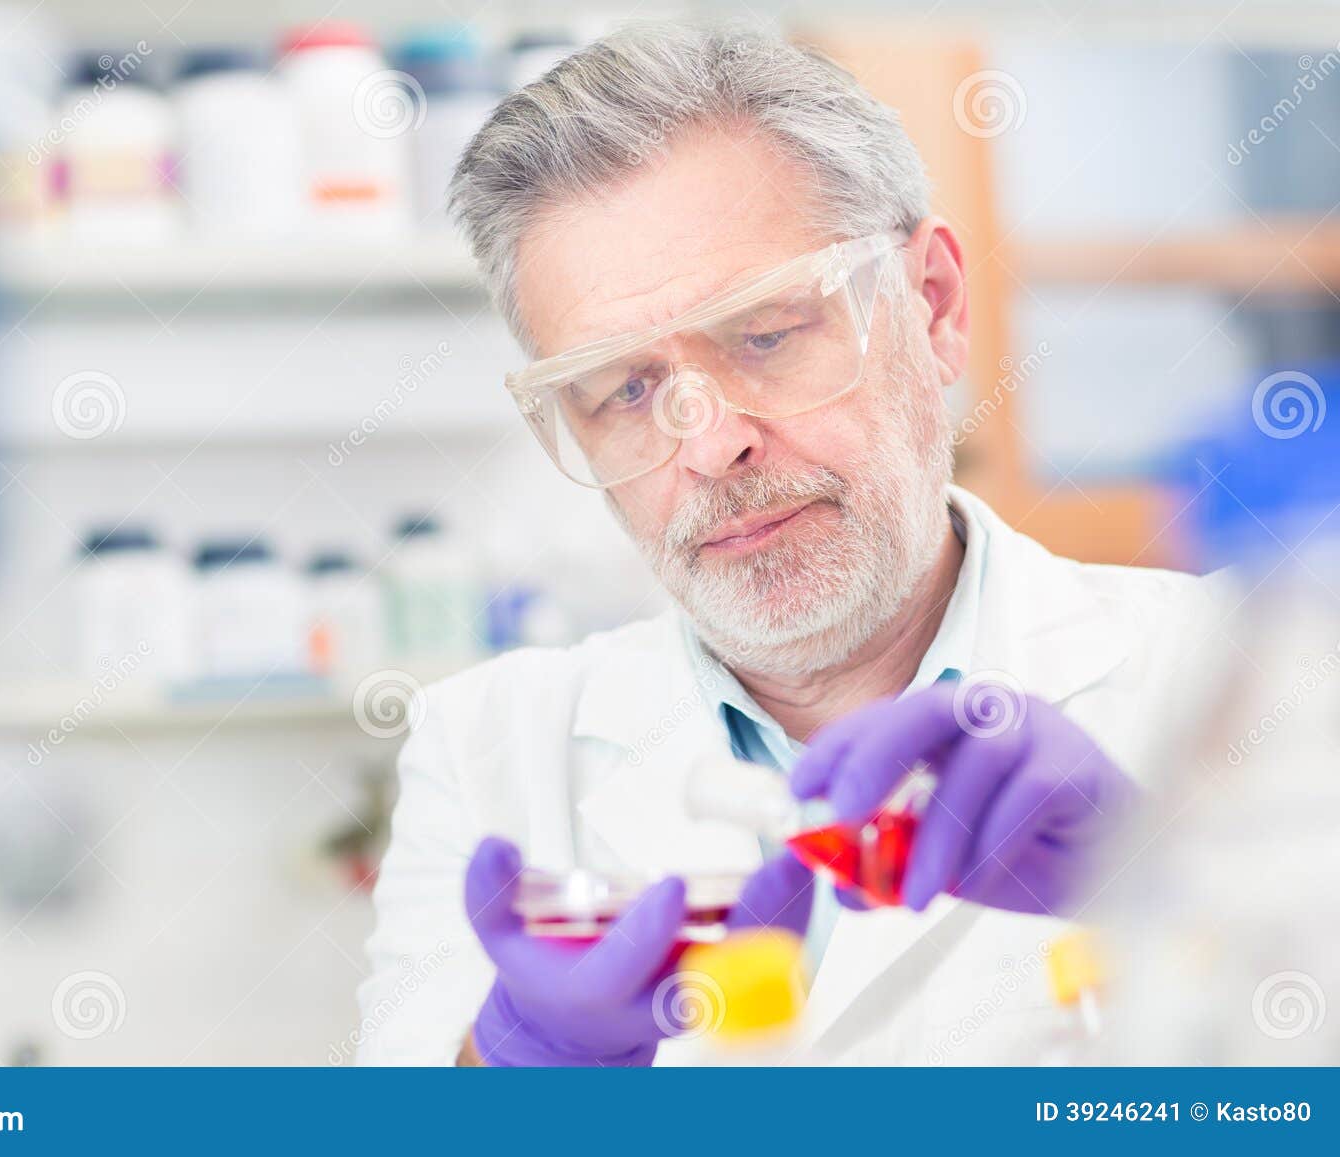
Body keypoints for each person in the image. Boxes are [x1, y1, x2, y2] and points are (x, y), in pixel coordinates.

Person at [356, 21, 1224, 1066]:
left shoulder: (1239, 675)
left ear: (934, 304)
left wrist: (1176, 904)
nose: (711, 443)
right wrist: (504, 1073)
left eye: (764, 335)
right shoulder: (487, 746)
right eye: (623, 390)